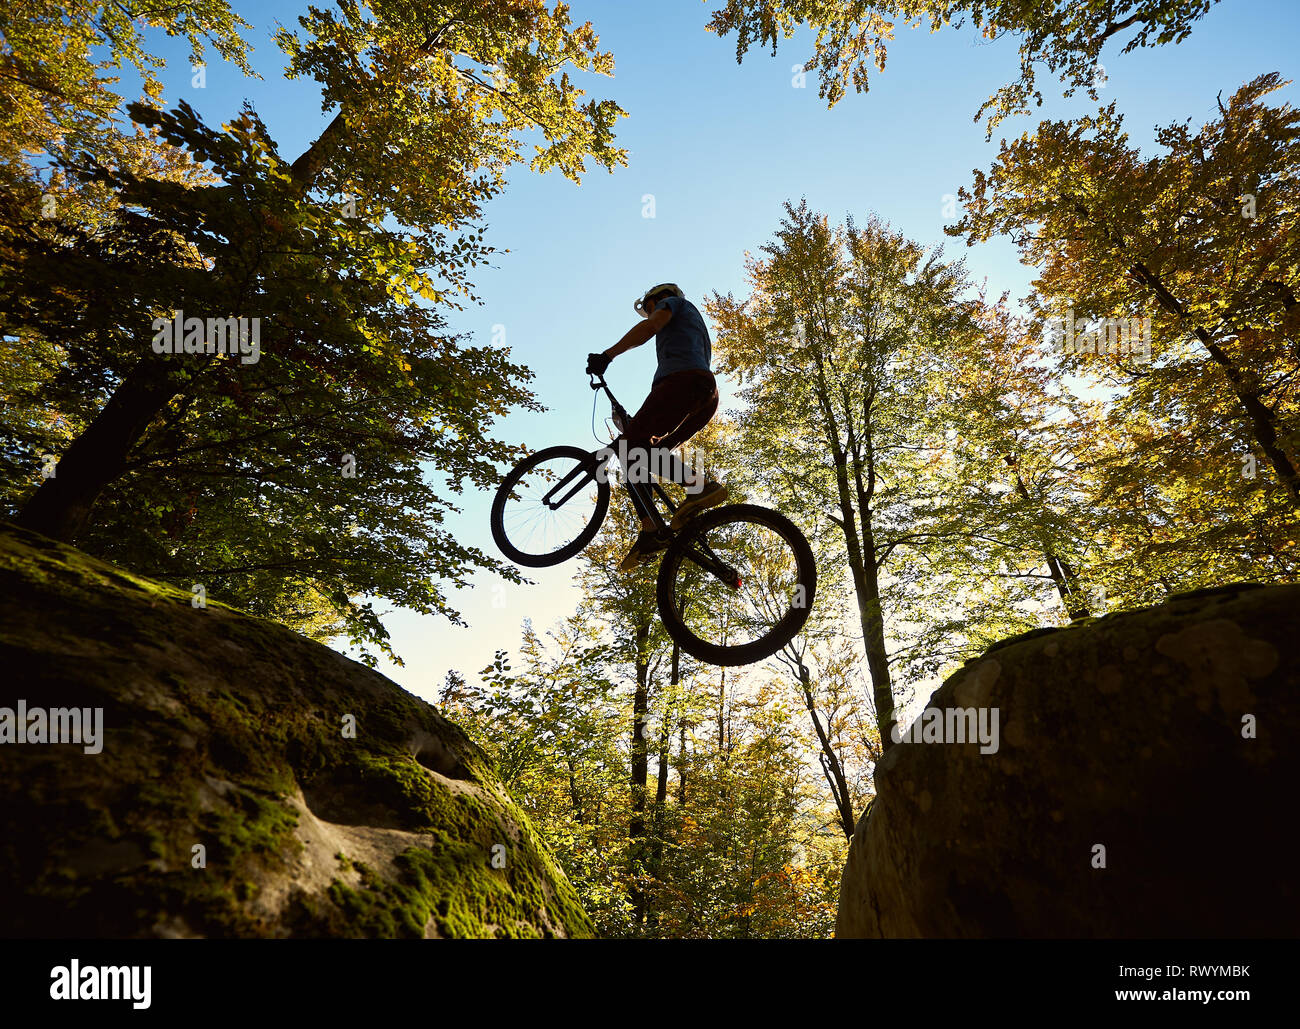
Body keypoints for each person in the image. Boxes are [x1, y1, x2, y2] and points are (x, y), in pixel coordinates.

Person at [586, 283, 728, 571]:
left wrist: (608, 355)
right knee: (649, 453)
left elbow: (651, 327)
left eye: (650, 307)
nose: (650, 313)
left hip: (681, 384)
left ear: (661, 298)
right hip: (703, 393)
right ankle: (690, 494)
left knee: (627, 448)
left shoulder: (674, 305)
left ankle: (658, 521)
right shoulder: (692, 327)